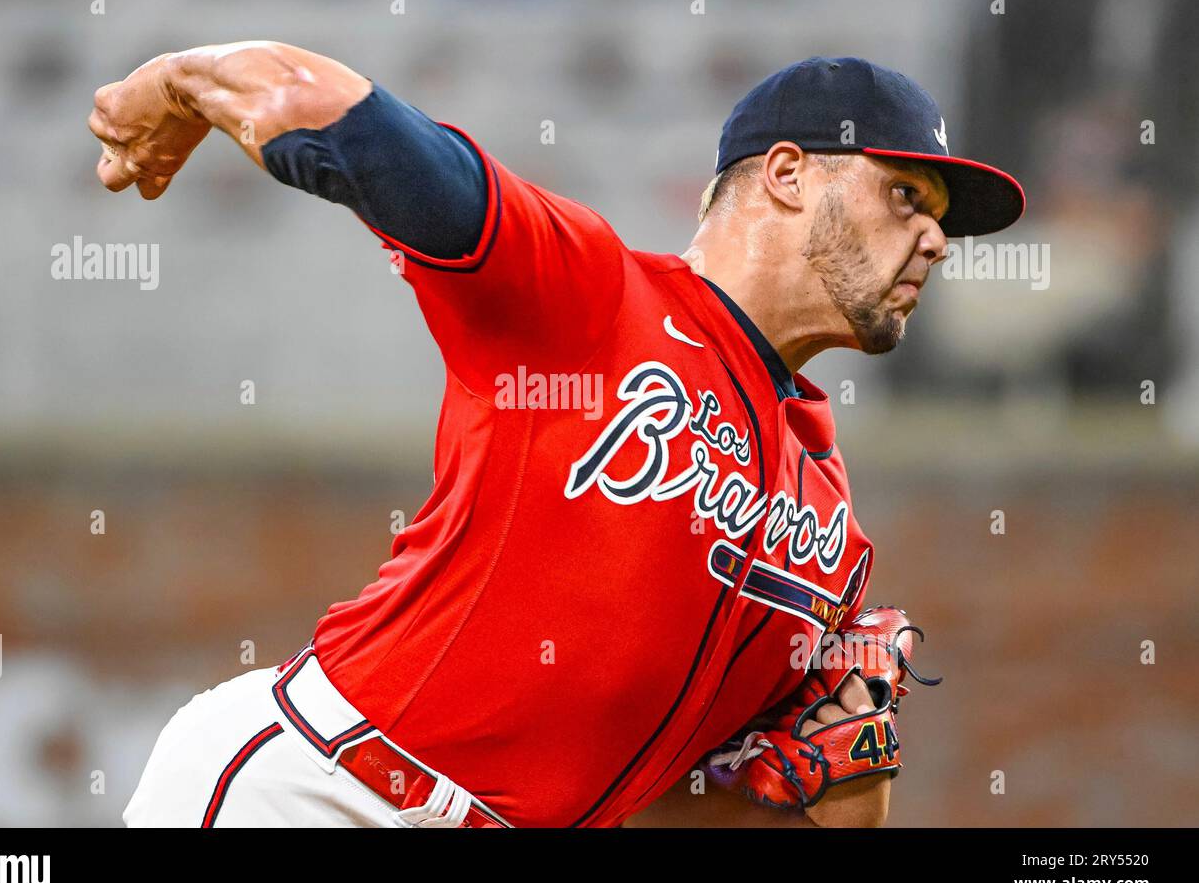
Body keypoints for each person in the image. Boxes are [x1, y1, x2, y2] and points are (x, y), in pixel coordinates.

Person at [90, 46, 1023, 828]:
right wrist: (176, 82)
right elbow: (345, 117)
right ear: (786, 175)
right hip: (322, 794)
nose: (935, 240)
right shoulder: (588, 295)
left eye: (939, 221)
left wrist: (837, 777)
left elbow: (693, 805)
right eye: (904, 193)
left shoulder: (828, 525)